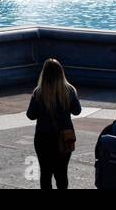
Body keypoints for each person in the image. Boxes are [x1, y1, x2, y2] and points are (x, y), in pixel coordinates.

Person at [26, 58, 81, 189]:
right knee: (62, 173)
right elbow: (77, 111)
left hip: (43, 137)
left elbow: (30, 115)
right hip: (65, 137)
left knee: (45, 173)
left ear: (43, 73)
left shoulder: (38, 92)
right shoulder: (69, 90)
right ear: (61, 72)